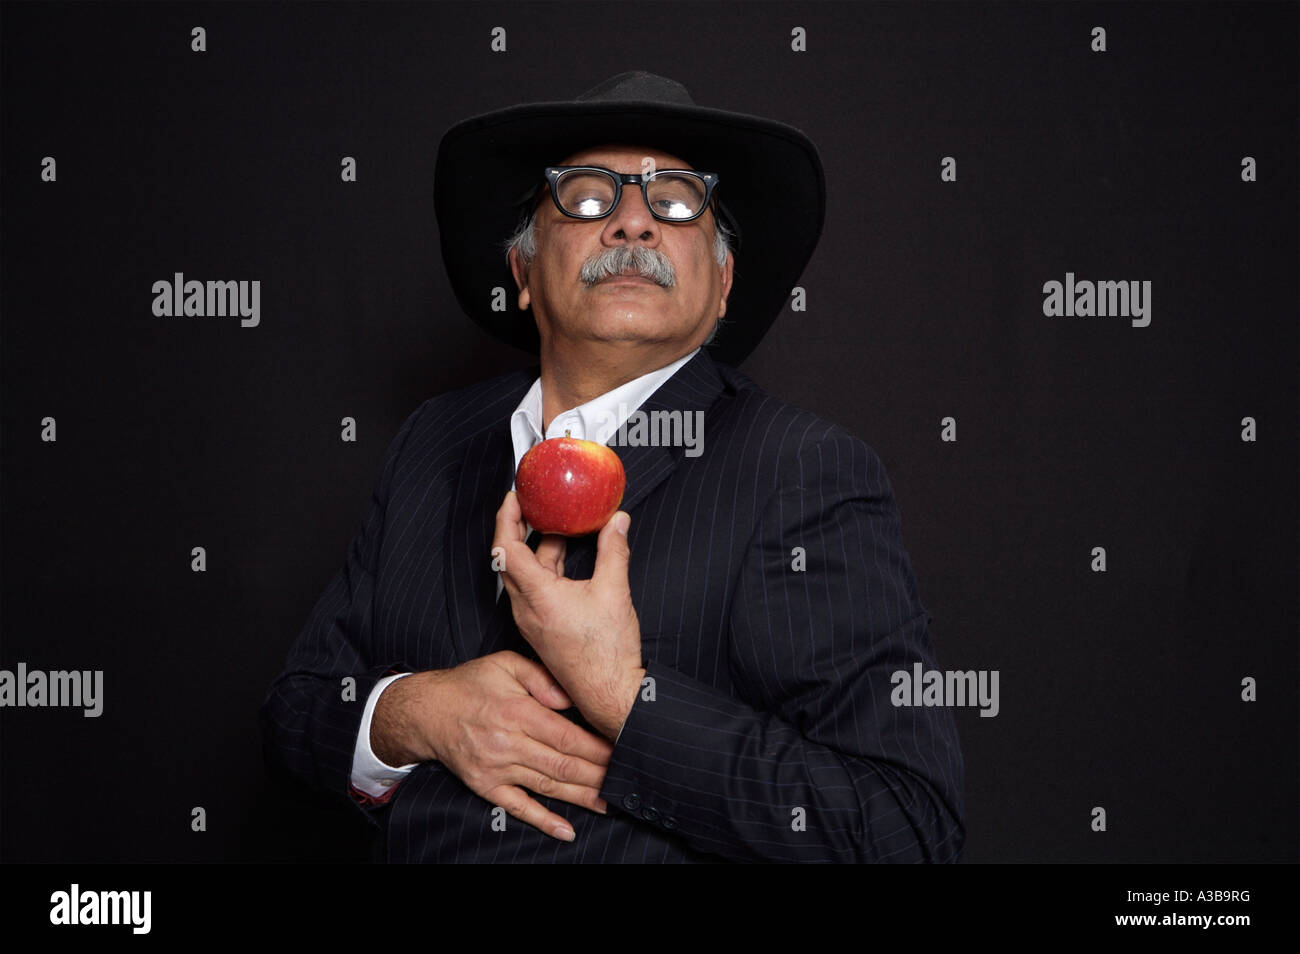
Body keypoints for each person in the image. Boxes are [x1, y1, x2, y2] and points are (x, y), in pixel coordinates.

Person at [259, 71, 966, 863]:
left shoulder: (802, 468)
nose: (633, 221)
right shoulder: (434, 439)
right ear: (523, 273)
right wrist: (414, 714)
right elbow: (297, 707)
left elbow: (904, 829)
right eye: (588, 197)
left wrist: (623, 697)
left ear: (723, 284)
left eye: (676, 201)